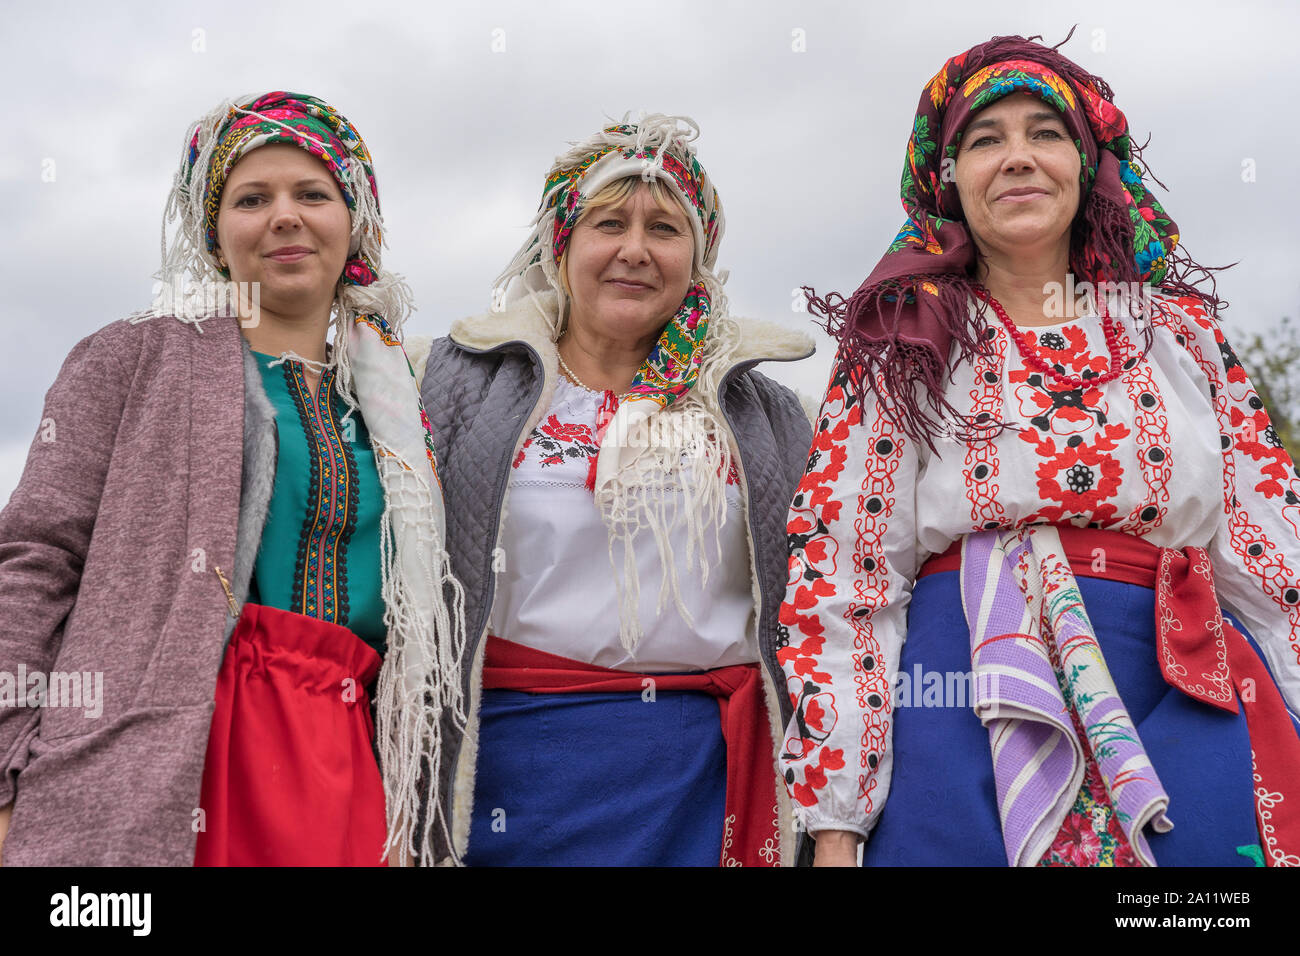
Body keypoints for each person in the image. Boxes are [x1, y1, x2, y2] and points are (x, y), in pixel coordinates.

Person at [782, 33, 1300, 867]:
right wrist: (836, 823)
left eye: (1044, 133)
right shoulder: (901, 352)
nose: (1017, 158)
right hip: (961, 710)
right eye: (984, 141)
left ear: (1087, 166)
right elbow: (845, 582)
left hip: (1181, 692)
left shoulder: (1181, 340)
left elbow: (1273, 563)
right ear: (948, 180)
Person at [0, 91, 462, 866]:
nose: (284, 216)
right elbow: (33, 559)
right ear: (214, 231)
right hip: (166, 746)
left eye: (312, 194)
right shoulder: (132, 358)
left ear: (356, 219)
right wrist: (7, 766)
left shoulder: (403, 399)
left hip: (347, 752)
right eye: (252, 199)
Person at [411, 115, 814, 865]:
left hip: (698, 779)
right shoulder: (456, 381)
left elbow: (814, 605)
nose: (634, 249)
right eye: (608, 224)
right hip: (511, 766)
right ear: (560, 245)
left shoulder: (761, 411)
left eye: (664, 227)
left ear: (698, 257)